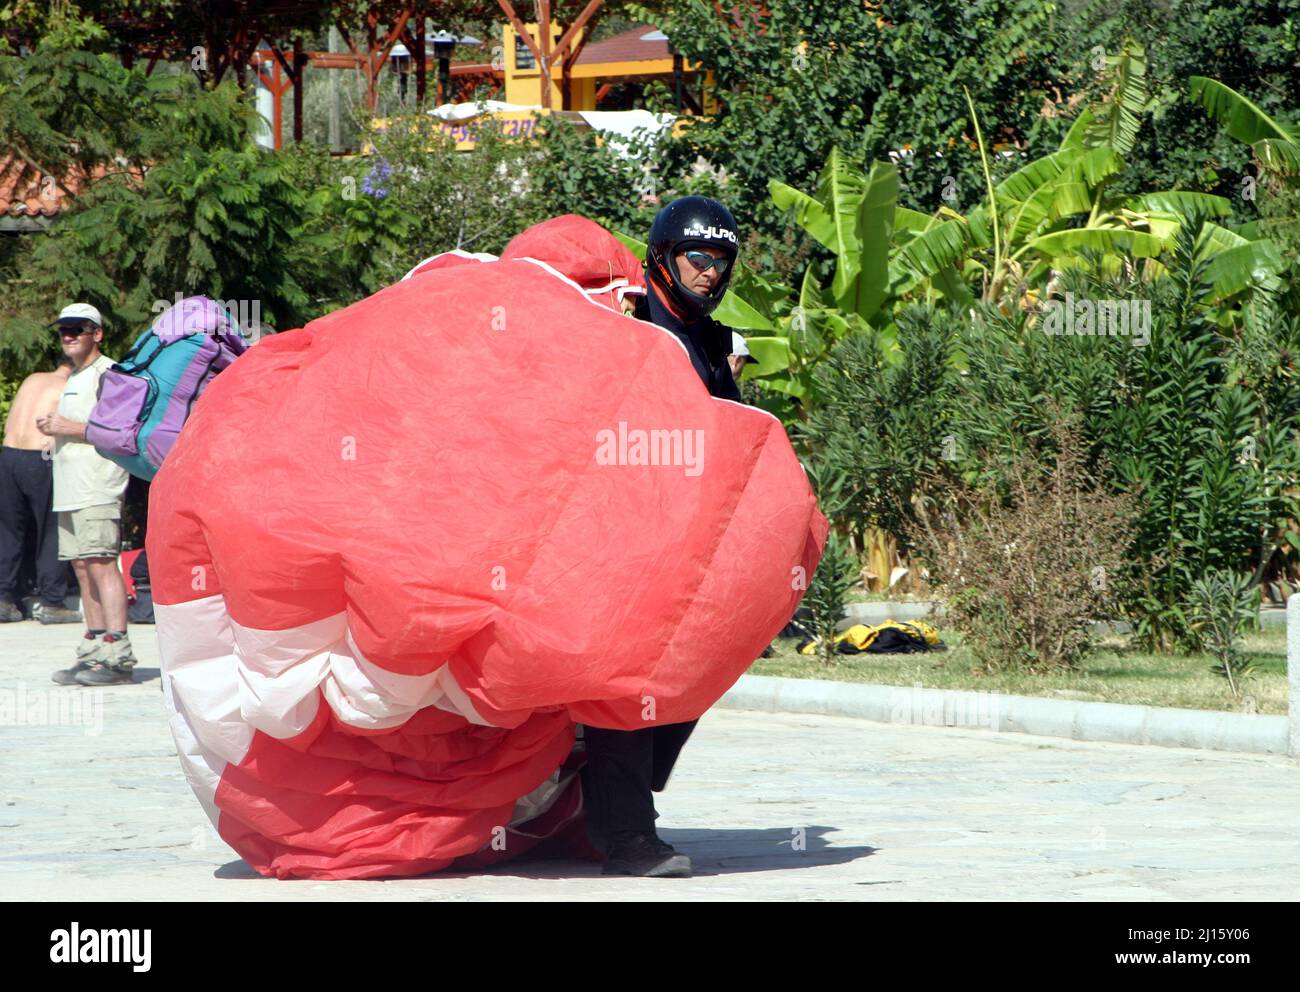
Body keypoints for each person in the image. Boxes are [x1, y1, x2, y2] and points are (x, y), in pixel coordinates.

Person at [584, 195, 744, 878]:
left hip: (687, 543)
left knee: (693, 672)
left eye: (721, 262)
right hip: (619, 540)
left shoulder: (715, 341)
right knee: (626, 683)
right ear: (663, 258)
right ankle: (625, 837)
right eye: (697, 258)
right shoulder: (627, 320)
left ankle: (614, 798)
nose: (709, 273)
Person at [35, 303, 135, 686]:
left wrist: (67, 425)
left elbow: (121, 429)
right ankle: (94, 649)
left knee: (101, 564)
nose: (68, 336)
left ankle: (118, 655)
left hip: (98, 485)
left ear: (98, 334)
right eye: (63, 330)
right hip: (71, 489)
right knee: (82, 567)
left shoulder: (108, 373)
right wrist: (56, 430)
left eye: (78, 328)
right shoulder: (77, 376)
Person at [0, 355, 79, 623]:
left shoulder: (33, 378)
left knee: (9, 531)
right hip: (40, 459)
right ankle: (52, 602)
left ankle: (4, 599)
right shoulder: (69, 387)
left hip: (8, 457)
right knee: (53, 530)